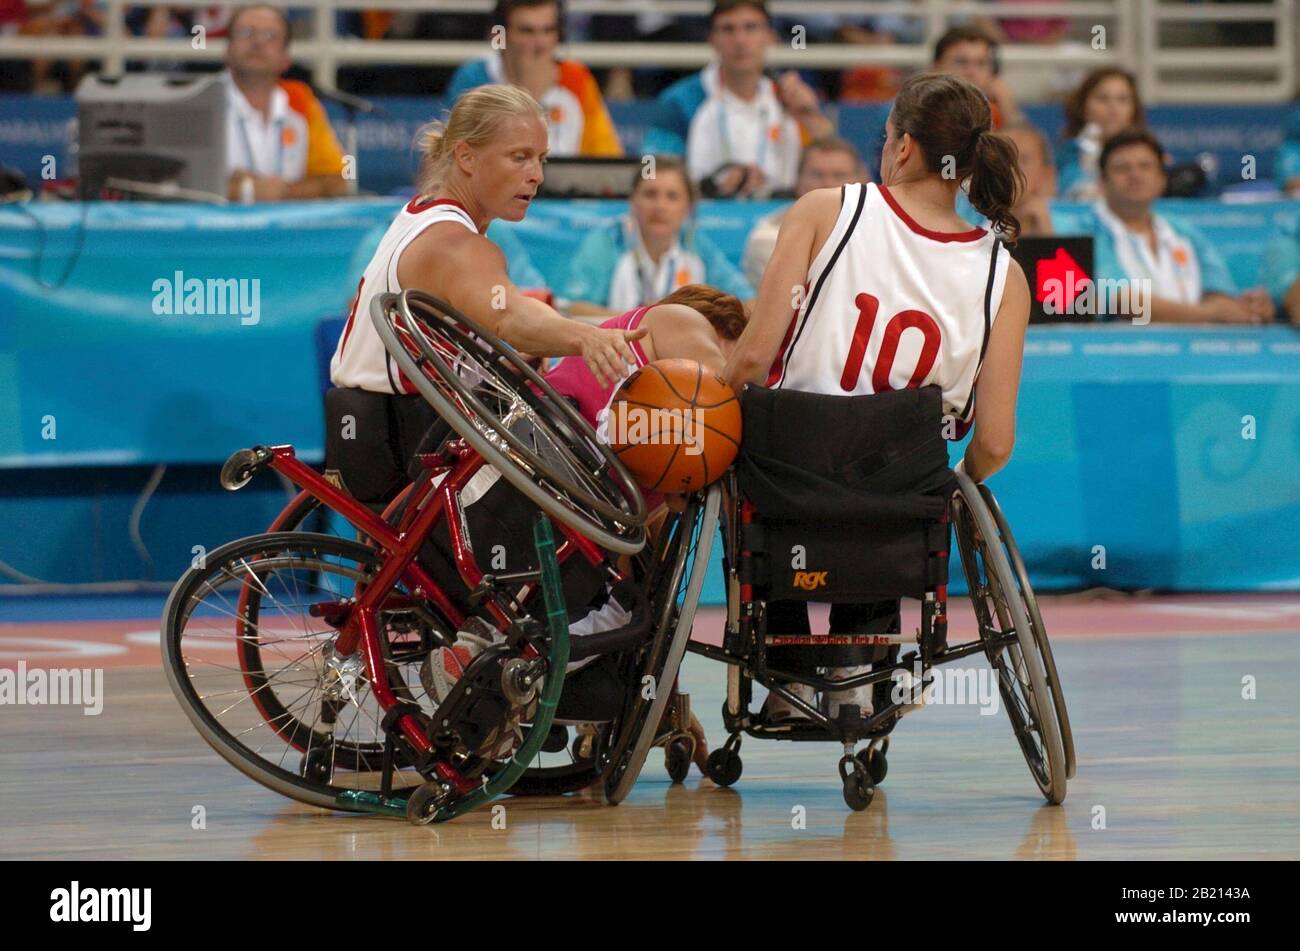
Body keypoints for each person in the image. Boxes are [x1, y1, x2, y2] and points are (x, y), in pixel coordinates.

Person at [721, 72, 1031, 723]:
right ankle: (862, 663)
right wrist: (950, 488)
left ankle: (790, 674)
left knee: (769, 445)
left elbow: (750, 359)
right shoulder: (1004, 275)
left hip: (790, 477)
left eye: (886, 134)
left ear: (905, 148)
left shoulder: (825, 208)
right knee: (892, 481)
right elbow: (996, 442)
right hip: (899, 491)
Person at [325, 84, 646, 506]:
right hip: (406, 446)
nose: (537, 174)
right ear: (466, 157)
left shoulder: (424, 214)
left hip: (377, 431)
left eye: (541, 159)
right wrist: (583, 337)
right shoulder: (454, 243)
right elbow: (508, 316)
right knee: (611, 493)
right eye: (520, 157)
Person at [643, 0, 834, 198]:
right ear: (712, 40)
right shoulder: (680, 100)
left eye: (751, 28)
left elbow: (833, 174)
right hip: (707, 220)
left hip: (783, 219)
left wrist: (811, 118)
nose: (740, 40)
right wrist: (711, 187)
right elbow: (650, 175)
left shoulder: (791, 98)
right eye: (728, 29)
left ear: (770, 37)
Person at [1079, 128, 1273, 323]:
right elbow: (1121, 302)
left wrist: (1246, 308)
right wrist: (1209, 314)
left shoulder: (1182, 231)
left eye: (1145, 166)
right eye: (1122, 168)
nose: (1135, 175)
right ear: (1102, 182)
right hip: (1117, 349)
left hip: (1193, 349)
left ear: (1162, 180)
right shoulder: (1084, 230)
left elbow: (1218, 292)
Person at [561, 156, 753, 318]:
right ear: (633, 201)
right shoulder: (609, 241)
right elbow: (574, 308)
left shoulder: (695, 245)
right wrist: (644, 322)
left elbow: (747, 302)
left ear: (688, 207)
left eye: (672, 196)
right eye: (650, 194)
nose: (660, 206)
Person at [446, 0, 622, 157]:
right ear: (499, 36)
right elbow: (444, 162)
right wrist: (529, 89)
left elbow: (606, 161)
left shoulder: (576, 77)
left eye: (548, 30)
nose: (540, 44)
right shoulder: (473, 78)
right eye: (527, 31)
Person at [222, 4, 348, 201]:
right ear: (227, 50)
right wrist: (243, 191)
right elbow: (175, 186)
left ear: (286, 58)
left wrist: (284, 192)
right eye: (246, 32)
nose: (257, 42)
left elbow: (337, 182)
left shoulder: (301, 100)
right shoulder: (202, 100)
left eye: (270, 36)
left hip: (286, 229)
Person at [741, 136, 869, 289]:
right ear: (797, 180)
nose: (827, 183)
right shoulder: (768, 238)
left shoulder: (876, 231)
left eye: (839, 175)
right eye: (817, 175)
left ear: (861, 181)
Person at [1057, 67, 1145, 201]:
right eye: (1103, 98)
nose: (1113, 107)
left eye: (1122, 99)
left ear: (1134, 109)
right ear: (1083, 107)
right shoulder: (1069, 154)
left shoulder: (1149, 155)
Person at [930, 25, 1020, 128]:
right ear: (936, 67)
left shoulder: (995, 112)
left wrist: (1008, 110)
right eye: (961, 62)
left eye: (981, 63)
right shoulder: (919, 111)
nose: (972, 72)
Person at [1002, 119, 1057, 236]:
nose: (1012, 170)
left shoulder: (1081, 226)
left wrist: (1047, 233)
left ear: (1048, 174)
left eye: (1024, 160)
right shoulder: (966, 221)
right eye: (1003, 159)